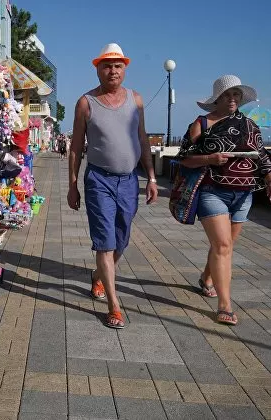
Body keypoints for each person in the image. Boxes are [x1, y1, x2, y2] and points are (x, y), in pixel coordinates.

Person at [67, 43, 158, 329]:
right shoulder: (86, 102)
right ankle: (114, 305)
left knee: (122, 238)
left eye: (117, 65)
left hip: (130, 180)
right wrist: (72, 184)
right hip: (99, 179)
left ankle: (98, 276)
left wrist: (152, 177)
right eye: (107, 65)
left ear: (125, 69)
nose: (112, 70)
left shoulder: (136, 100)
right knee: (104, 240)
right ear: (98, 69)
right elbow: (75, 146)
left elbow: (142, 139)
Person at [176, 75, 271, 325]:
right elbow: (184, 157)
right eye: (227, 95)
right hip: (212, 191)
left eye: (236, 95)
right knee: (223, 246)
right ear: (217, 98)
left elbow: (261, 156)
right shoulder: (202, 124)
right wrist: (209, 159)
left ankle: (207, 278)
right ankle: (225, 305)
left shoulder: (250, 125)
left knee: (225, 245)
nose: (232, 99)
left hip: (245, 194)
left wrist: (269, 175)